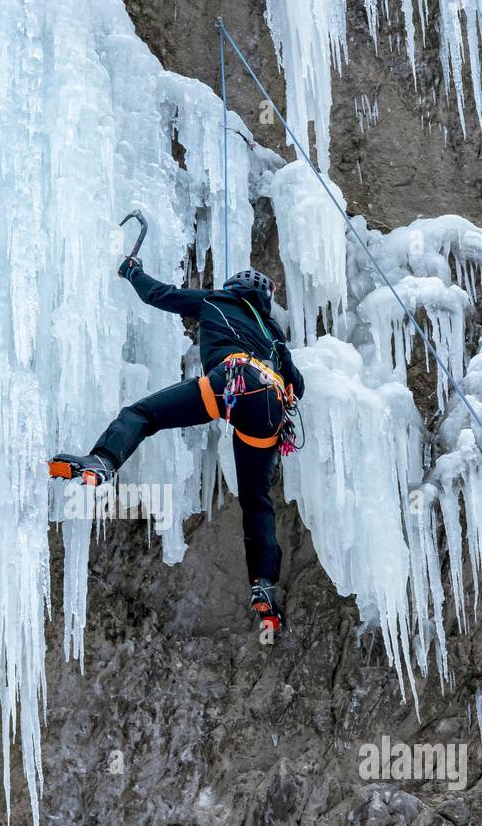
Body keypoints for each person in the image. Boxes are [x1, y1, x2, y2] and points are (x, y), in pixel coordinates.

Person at [49, 259, 304, 632]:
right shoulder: (273, 332)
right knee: (256, 502)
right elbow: (298, 383)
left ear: (234, 286)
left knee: (144, 415)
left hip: (230, 382)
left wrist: (131, 270)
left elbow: (159, 295)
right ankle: (263, 585)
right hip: (270, 408)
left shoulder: (215, 301)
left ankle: (102, 461)